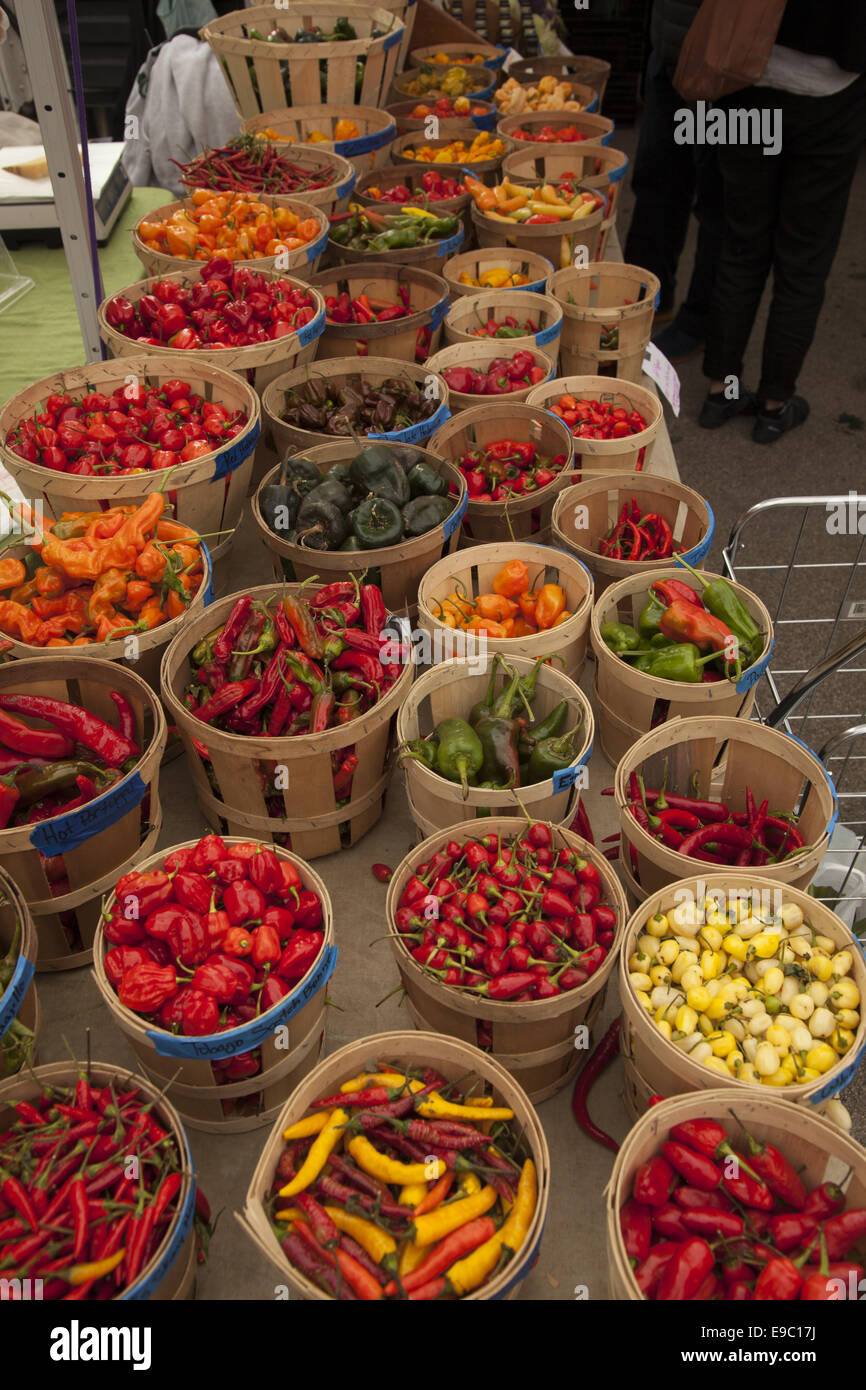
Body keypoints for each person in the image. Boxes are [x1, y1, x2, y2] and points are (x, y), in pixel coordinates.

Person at [699, 0, 866, 443]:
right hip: (832, 88)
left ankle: (721, 392)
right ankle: (773, 406)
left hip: (751, 74)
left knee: (741, 244)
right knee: (804, 261)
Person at [623, 0, 723, 363]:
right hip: (669, 50)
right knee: (656, 179)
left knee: (716, 205)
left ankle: (701, 321)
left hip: (721, 65)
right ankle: (646, 295)